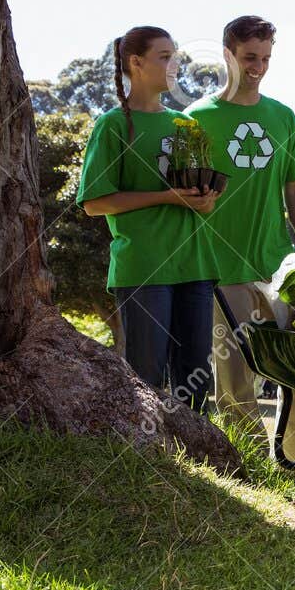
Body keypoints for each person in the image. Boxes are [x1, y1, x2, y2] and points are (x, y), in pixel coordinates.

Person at [187, 15, 295, 459]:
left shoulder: (282, 117)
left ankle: (289, 463)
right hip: (219, 268)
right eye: (249, 57)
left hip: (277, 266)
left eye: (265, 58)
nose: (258, 66)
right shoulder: (195, 119)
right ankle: (252, 467)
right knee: (235, 377)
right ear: (227, 54)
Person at [78, 26, 218, 412]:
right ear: (136, 63)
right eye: (164, 57)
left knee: (195, 381)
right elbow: (95, 202)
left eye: (174, 56)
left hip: (196, 263)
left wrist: (204, 201)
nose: (174, 64)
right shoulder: (112, 125)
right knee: (146, 378)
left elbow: (202, 197)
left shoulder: (186, 125)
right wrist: (165, 197)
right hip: (145, 268)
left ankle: (197, 466)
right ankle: (144, 462)